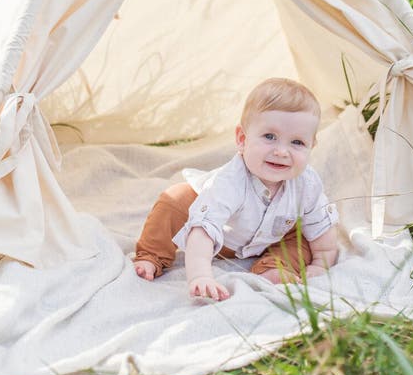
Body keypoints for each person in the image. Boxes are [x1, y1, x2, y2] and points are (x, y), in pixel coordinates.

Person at [133, 78, 339, 300]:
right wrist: (200, 276)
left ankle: (274, 268)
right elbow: (202, 230)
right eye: (270, 137)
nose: (281, 151)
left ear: (311, 146)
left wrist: (320, 264)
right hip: (221, 235)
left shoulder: (307, 184)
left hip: (272, 236)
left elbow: (321, 227)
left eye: (297, 142)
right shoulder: (230, 181)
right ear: (242, 139)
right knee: (174, 199)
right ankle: (152, 255)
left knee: (302, 239)